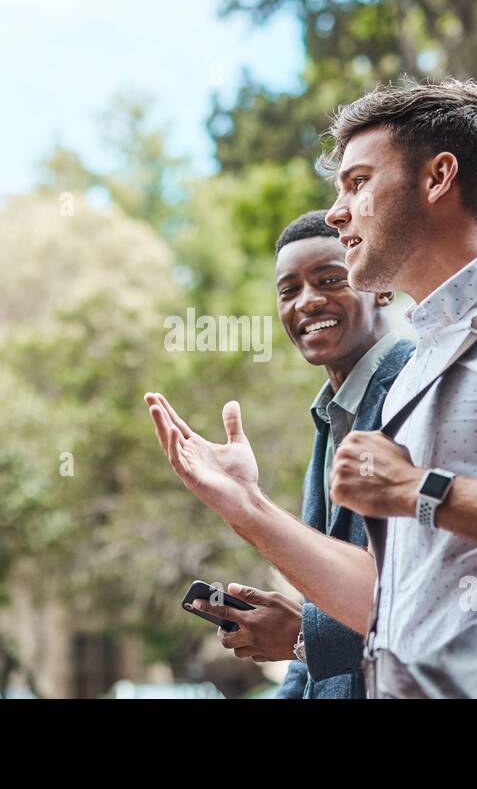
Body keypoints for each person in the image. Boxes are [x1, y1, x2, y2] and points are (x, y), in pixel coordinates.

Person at [147, 78, 477, 698]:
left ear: (438, 178)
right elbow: (384, 605)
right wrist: (247, 508)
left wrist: (417, 489)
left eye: (358, 183)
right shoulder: (414, 376)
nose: (338, 212)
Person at [158, 209, 412, 699]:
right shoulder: (329, 419)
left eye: (329, 279)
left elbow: (417, 594)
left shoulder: (412, 393)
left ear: (382, 288)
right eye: (288, 289)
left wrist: (302, 636)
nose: (308, 302)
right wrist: (302, 642)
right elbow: (317, 614)